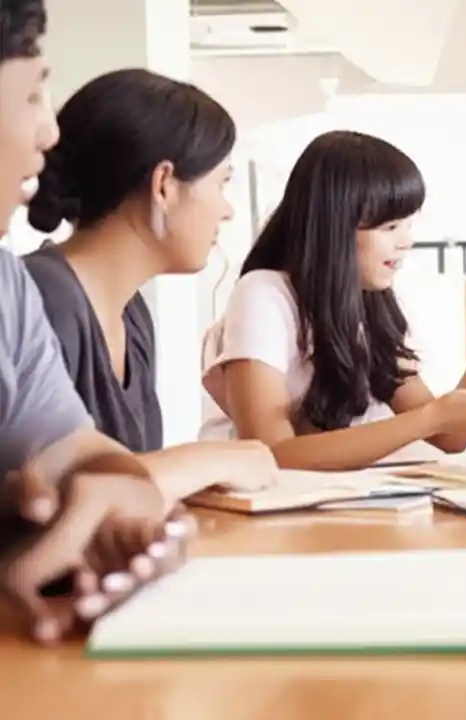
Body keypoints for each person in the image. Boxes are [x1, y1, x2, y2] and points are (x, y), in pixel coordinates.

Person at [201, 130, 466, 471]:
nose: (406, 241)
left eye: (407, 225)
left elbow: (448, 438)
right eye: (390, 227)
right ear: (334, 228)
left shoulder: (371, 305)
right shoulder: (264, 294)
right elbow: (272, 453)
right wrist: (433, 416)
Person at [0, 0, 187, 644]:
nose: (48, 133)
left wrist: (123, 504)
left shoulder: (7, 287)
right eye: (31, 95)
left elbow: (78, 452)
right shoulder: (47, 288)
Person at [22, 68, 276, 505]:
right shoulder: (42, 298)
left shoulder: (132, 313)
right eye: (221, 183)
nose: (227, 210)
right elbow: (48, 492)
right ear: (164, 185)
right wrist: (213, 459)